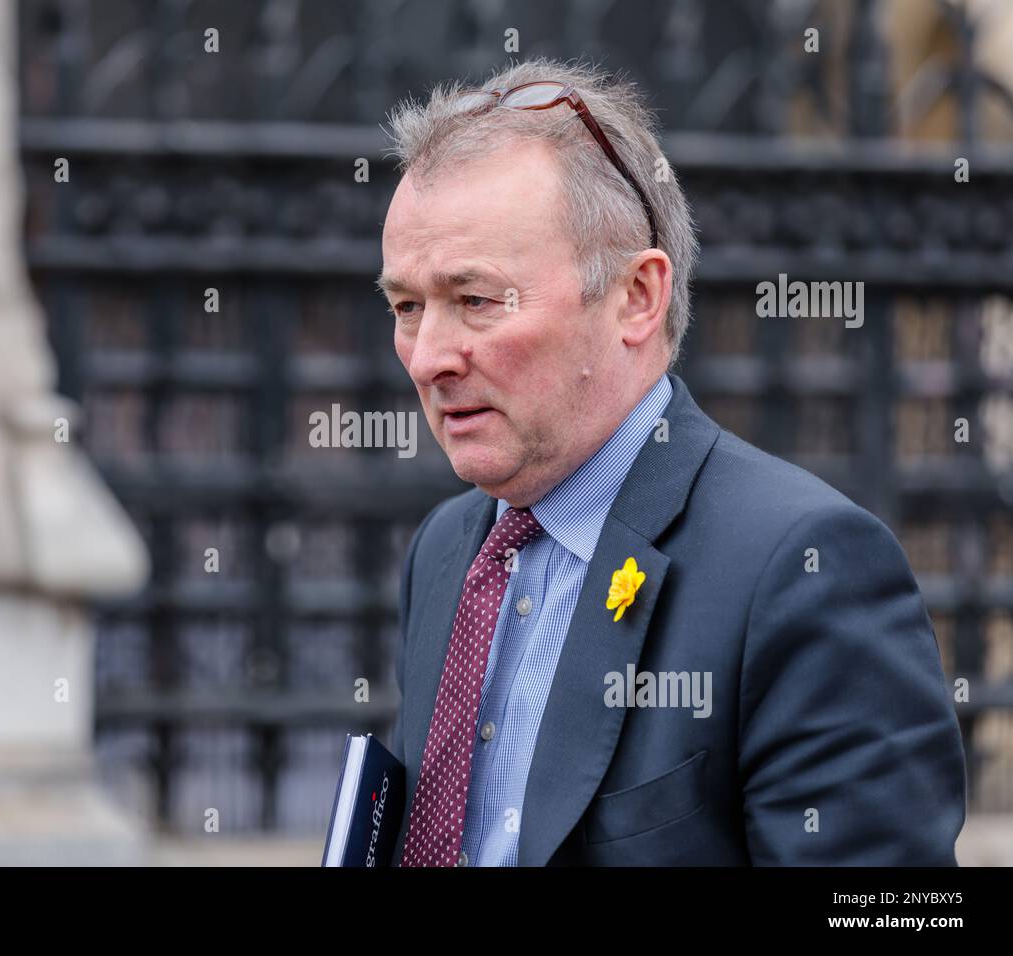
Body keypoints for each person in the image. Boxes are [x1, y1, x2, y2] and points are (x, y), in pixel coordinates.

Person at [376, 56, 966, 866]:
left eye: (476, 300)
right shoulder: (448, 551)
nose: (428, 356)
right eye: (407, 307)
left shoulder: (804, 568)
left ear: (636, 298)